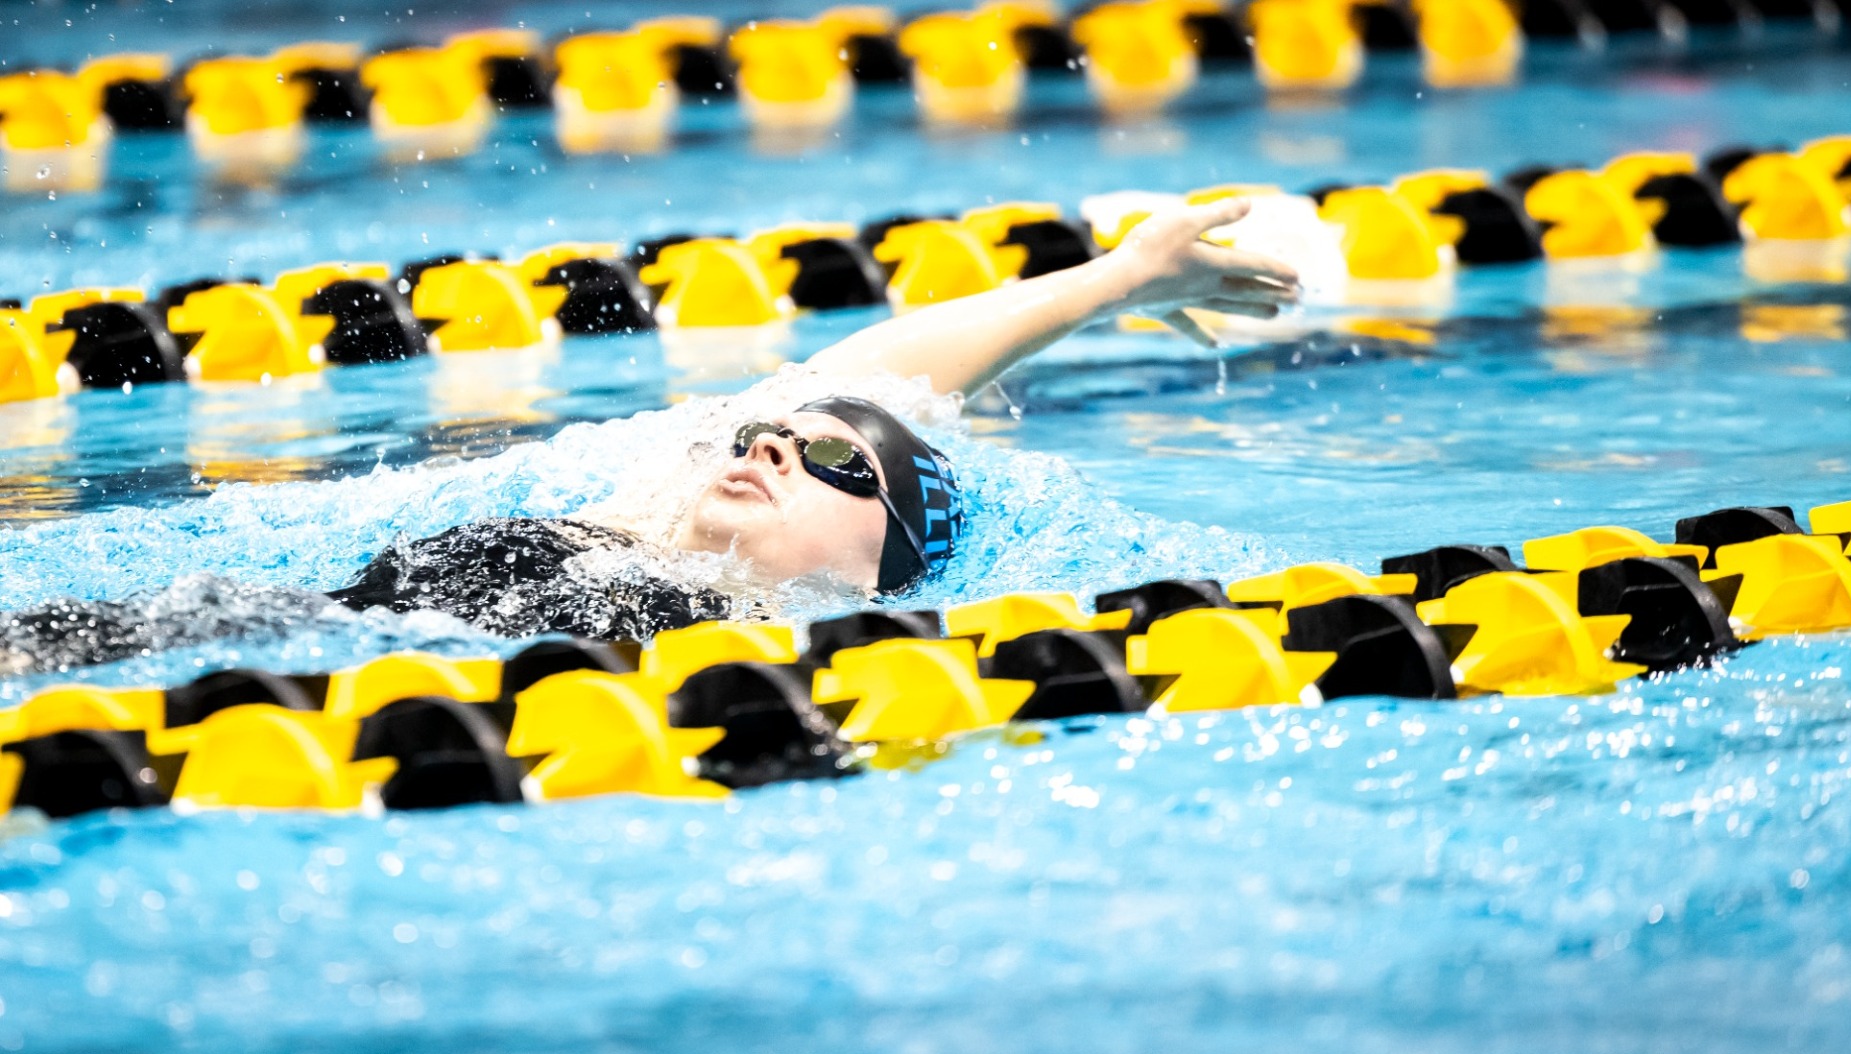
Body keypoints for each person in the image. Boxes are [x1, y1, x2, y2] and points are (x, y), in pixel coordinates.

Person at [0, 200, 1298, 674]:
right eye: (779, 433)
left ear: (871, 572)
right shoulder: (627, 519)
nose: (783, 445)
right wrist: (1110, 283)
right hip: (213, 627)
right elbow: (866, 372)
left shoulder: (772, 647)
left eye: (843, 465)